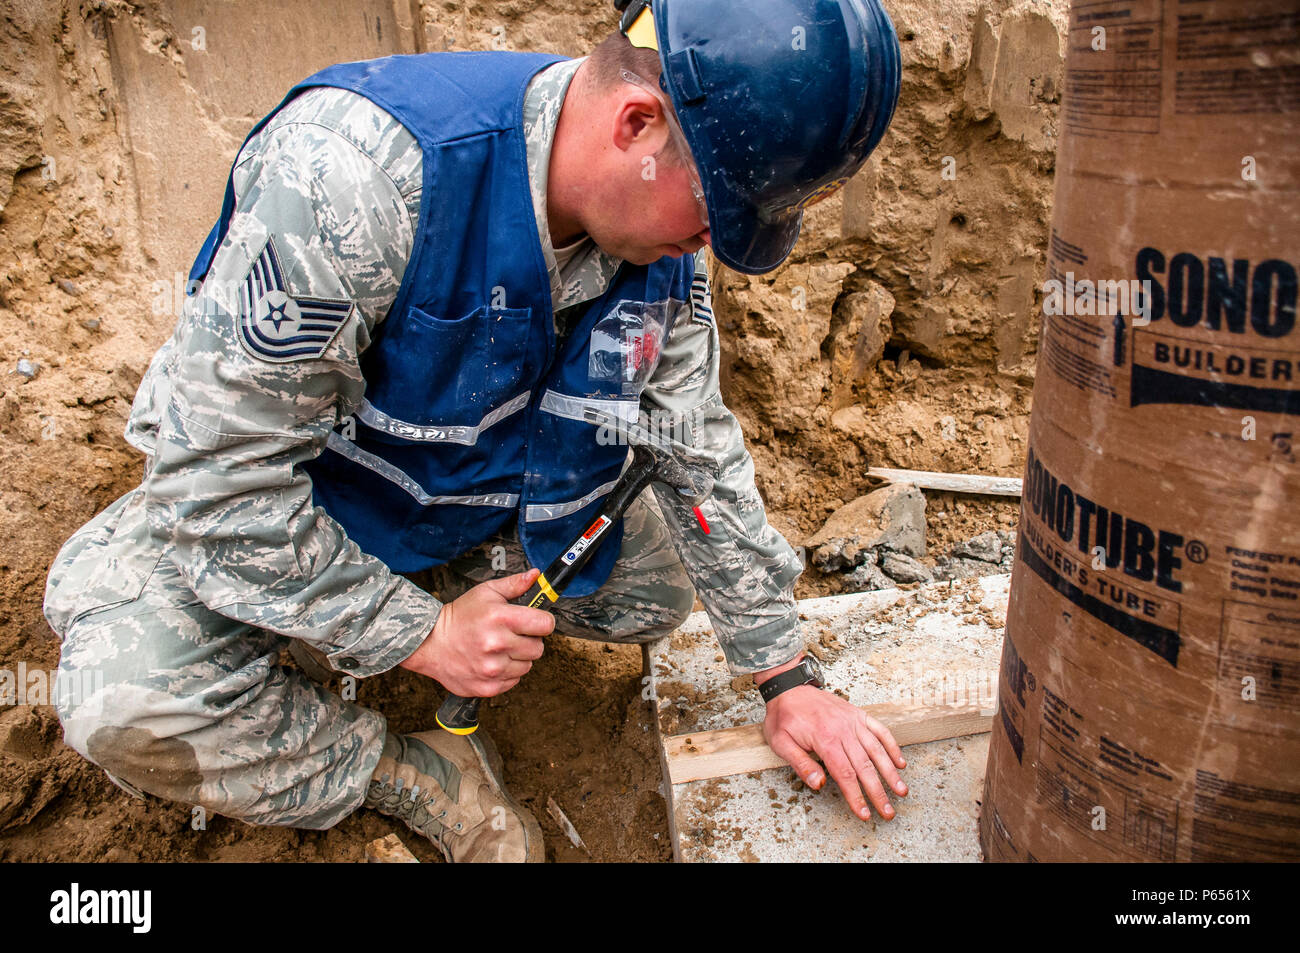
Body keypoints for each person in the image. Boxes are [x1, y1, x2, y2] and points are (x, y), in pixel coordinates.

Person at [44, 0, 904, 862]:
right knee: (121, 696)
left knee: (655, 583)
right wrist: (424, 636)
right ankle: (411, 767)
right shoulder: (355, 180)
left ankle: (425, 592)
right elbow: (220, 484)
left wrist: (782, 674)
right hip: (309, 500)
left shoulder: (660, 256)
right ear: (637, 123)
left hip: (466, 499)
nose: (718, 241)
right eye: (721, 205)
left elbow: (694, 444)